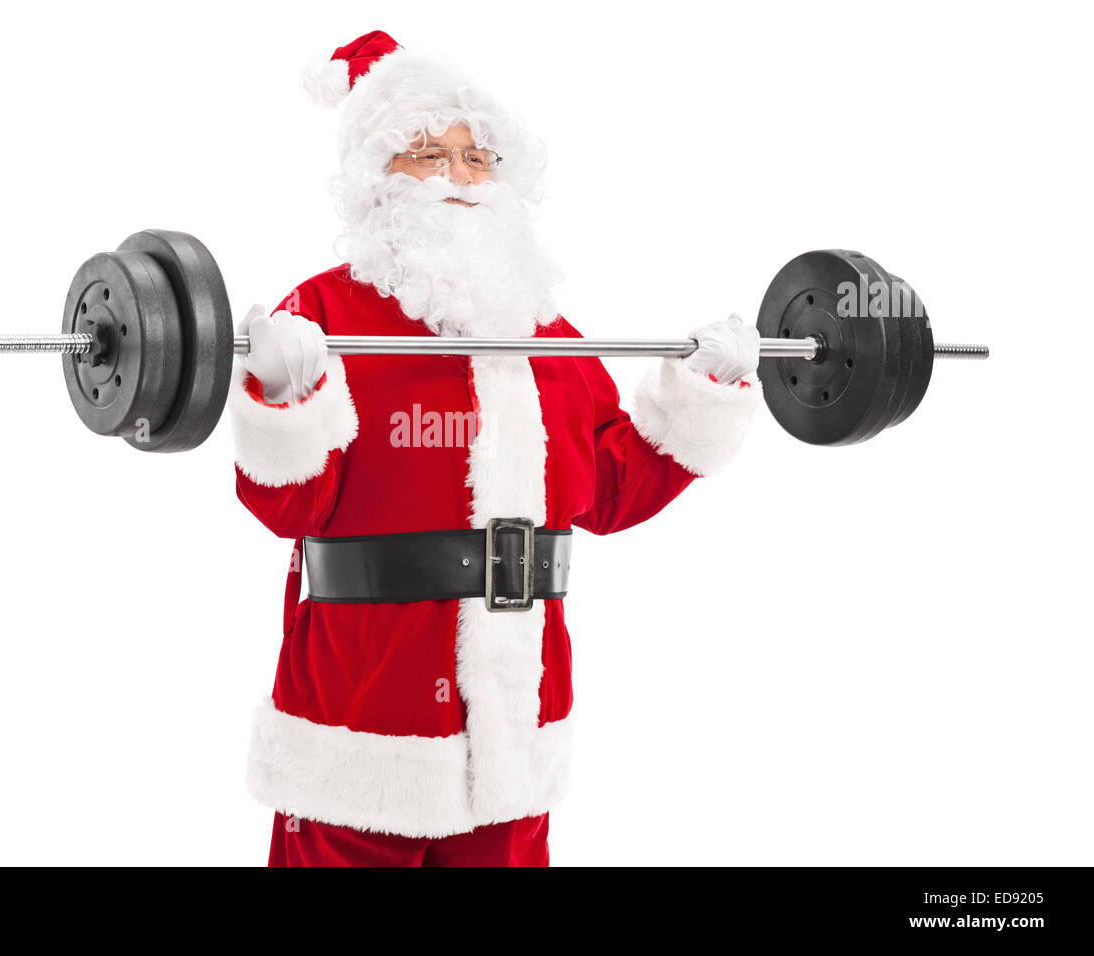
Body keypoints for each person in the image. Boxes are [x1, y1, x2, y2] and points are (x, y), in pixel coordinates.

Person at [229, 30, 762, 866]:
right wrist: (285, 395)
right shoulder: (321, 316)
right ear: (377, 182)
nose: (458, 178)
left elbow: (611, 488)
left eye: (476, 159)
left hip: (512, 733)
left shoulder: (547, 336)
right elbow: (285, 502)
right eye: (427, 155)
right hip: (362, 727)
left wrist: (705, 391)